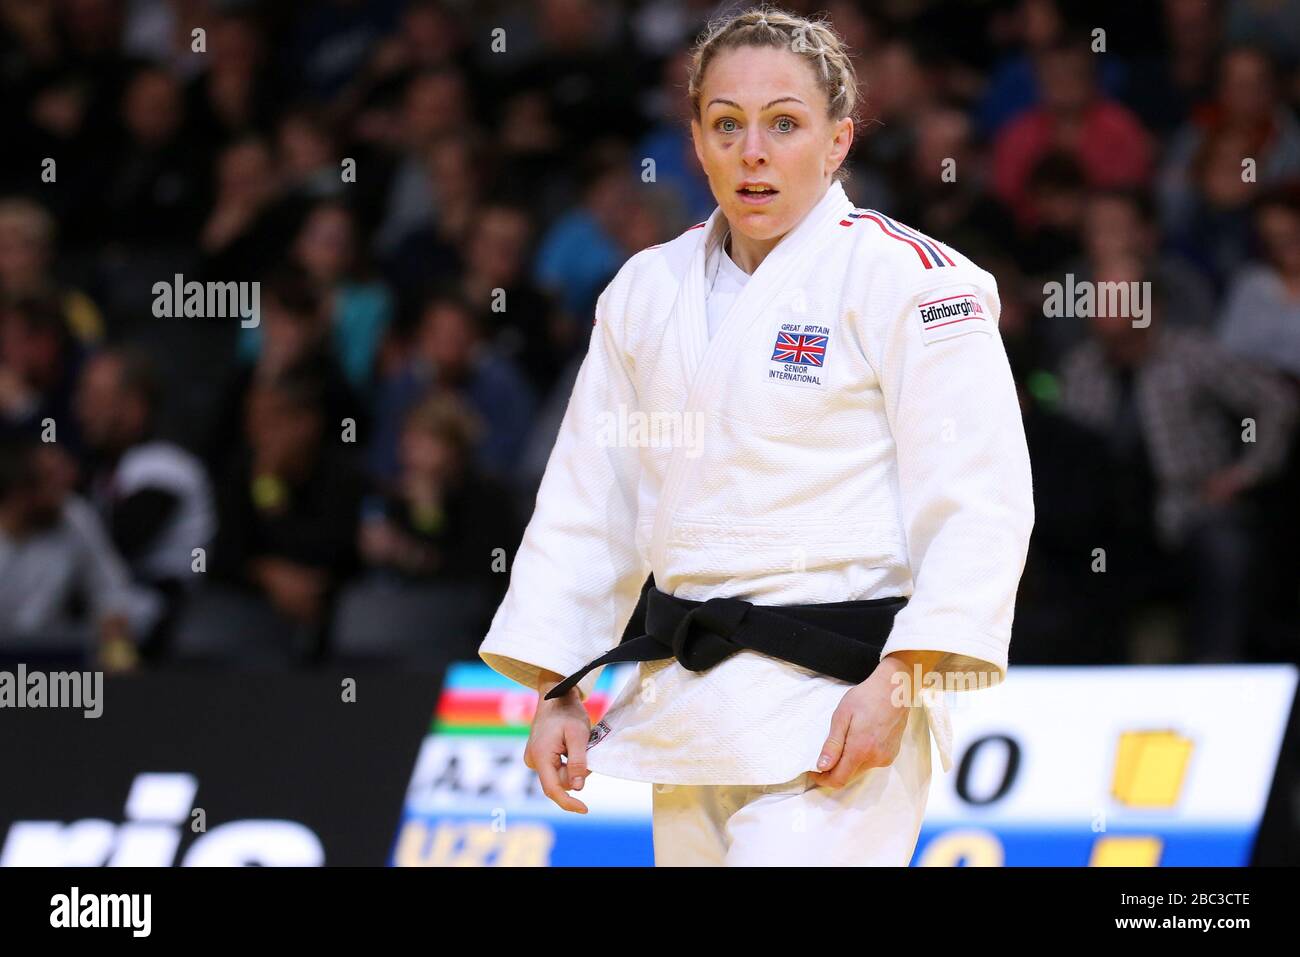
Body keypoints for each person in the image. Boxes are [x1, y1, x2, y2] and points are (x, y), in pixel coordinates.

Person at [478, 6, 1035, 867]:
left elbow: (980, 501)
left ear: (839, 140)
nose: (754, 152)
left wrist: (906, 676)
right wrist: (557, 682)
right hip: (690, 696)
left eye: (785, 124)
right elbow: (592, 499)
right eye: (726, 125)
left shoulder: (914, 281)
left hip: (842, 692)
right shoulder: (644, 289)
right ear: (695, 141)